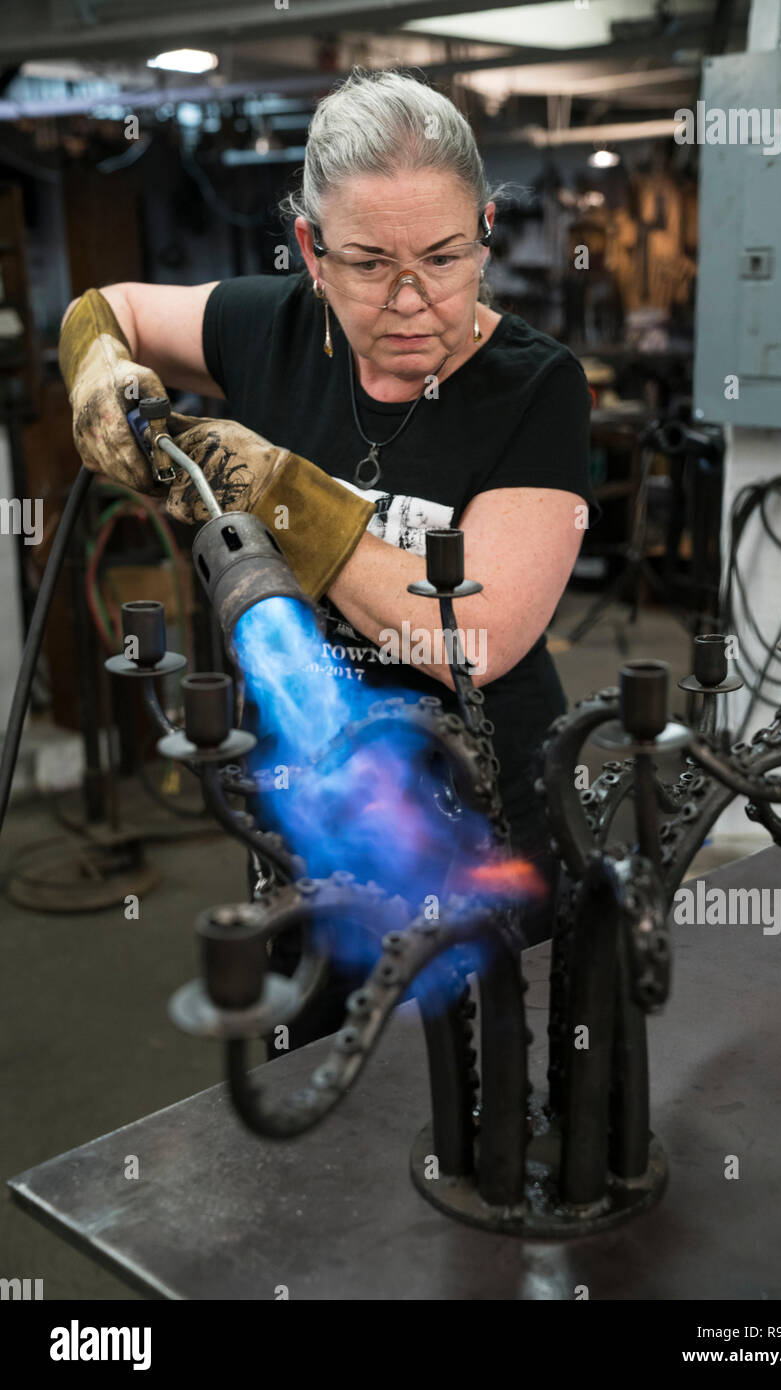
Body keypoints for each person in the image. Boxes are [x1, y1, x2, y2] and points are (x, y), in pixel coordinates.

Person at [58, 68, 596, 978]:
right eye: (369, 262)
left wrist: (280, 493)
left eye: (442, 255)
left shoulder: (537, 389)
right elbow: (111, 307)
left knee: (492, 1085)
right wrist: (95, 362)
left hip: (482, 811)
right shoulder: (269, 328)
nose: (411, 298)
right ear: (310, 248)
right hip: (306, 805)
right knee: (316, 1063)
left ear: (485, 236)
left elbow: (476, 637)